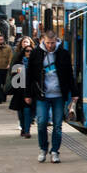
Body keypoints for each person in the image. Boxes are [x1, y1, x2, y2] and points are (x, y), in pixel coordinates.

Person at [26, 29, 74, 163]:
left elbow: (70, 75)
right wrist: (28, 94)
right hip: (42, 94)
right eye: (47, 43)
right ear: (43, 40)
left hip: (58, 95)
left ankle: (55, 151)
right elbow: (29, 75)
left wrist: (74, 93)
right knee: (41, 123)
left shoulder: (63, 54)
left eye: (52, 43)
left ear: (56, 41)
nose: (50, 46)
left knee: (57, 125)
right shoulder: (36, 53)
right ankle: (43, 148)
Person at [6, 37, 34, 138]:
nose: (29, 53)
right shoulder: (18, 61)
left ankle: (27, 130)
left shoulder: (35, 62)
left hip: (30, 90)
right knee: (21, 111)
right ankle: (23, 127)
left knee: (27, 110)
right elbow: (13, 76)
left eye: (31, 51)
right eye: (27, 51)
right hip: (20, 90)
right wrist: (16, 73)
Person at [0, 35, 14, 104]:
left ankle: (4, 97)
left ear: (4, 40)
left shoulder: (8, 48)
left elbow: (11, 57)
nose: (0, 41)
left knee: (5, 84)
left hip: (5, 68)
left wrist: (9, 64)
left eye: (1, 39)